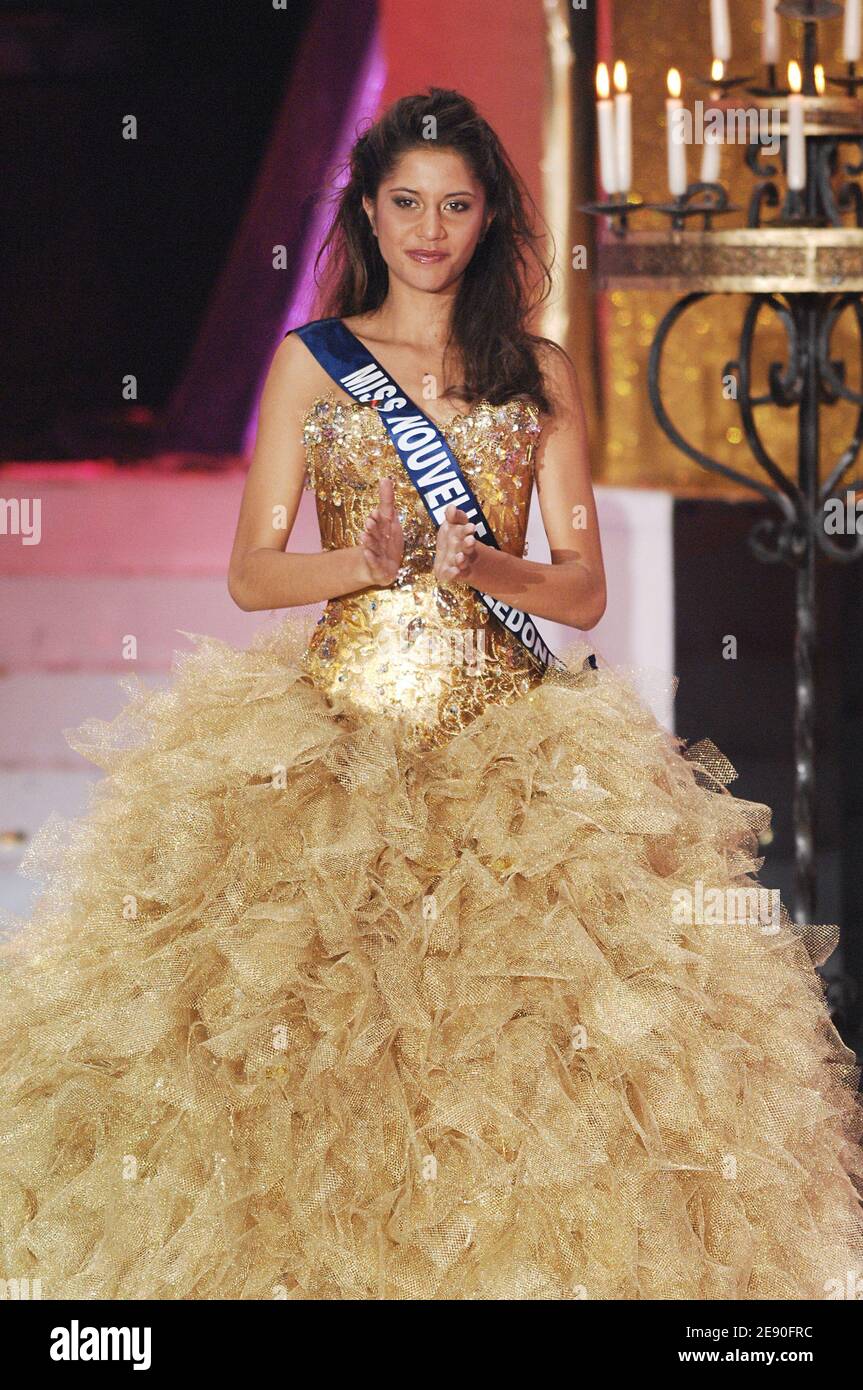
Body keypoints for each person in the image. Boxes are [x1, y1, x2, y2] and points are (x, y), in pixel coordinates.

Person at [1, 87, 861, 1302]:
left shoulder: (539, 372)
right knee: (314, 1031)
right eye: (405, 202)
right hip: (336, 734)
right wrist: (357, 564)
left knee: (523, 1048)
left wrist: (484, 564)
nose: (428, 227)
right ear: (366, 209)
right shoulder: (312, 364)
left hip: (515, 749)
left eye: (455, 205)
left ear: (487, 218)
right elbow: (250, 573)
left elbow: (579, 594)